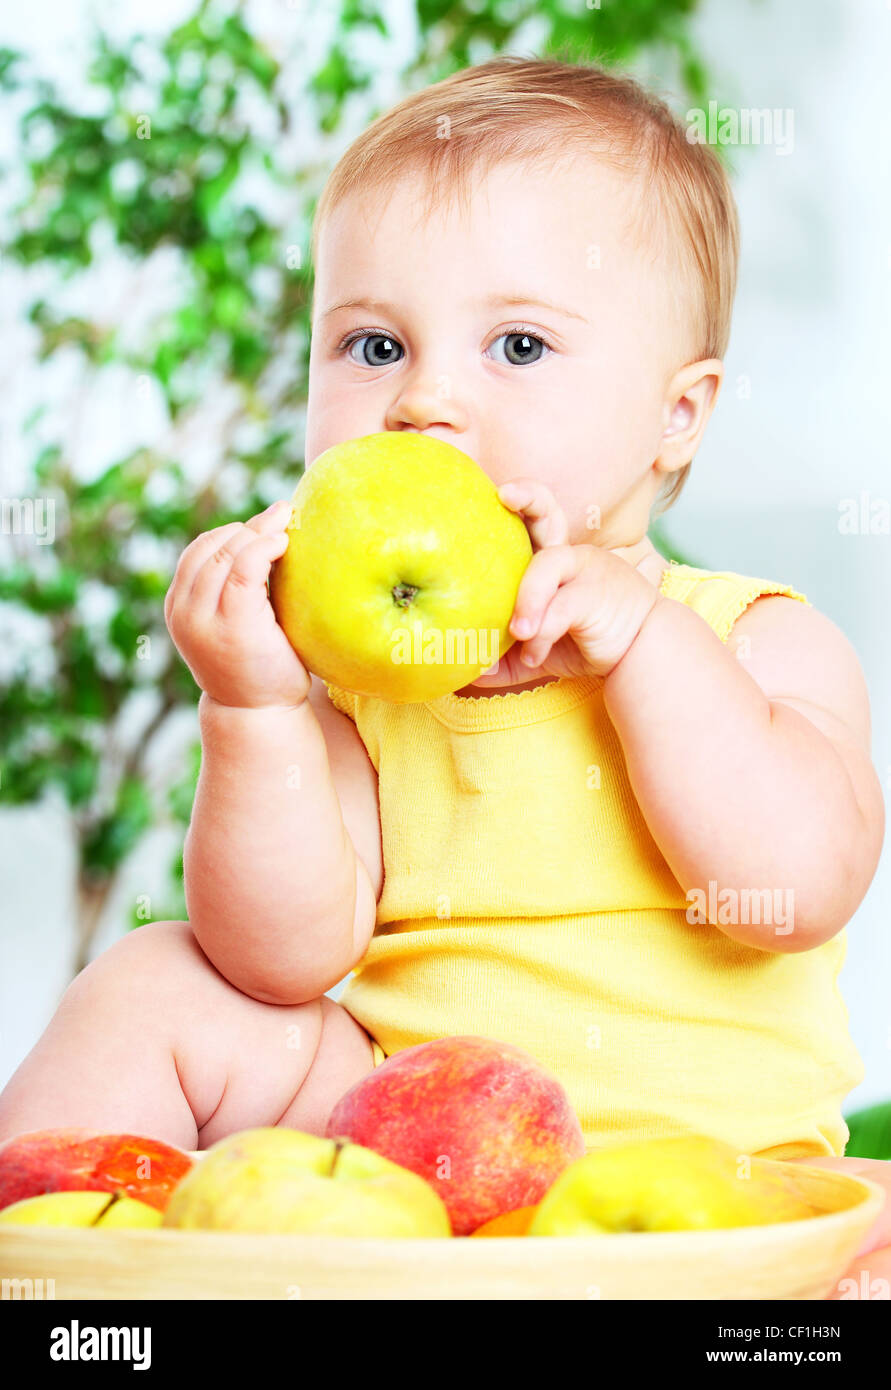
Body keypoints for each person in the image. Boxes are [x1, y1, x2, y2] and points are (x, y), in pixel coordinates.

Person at [1, 57, 887, 1295]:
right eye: (373, 344)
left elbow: (793, 886)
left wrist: (638, 645)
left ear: (677, 417)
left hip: (697, 1189)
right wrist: (252, 708)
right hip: (404, 1161)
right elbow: (280, 960)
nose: (421, 400)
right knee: (158, 980)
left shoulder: (753, 639)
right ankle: (78, 1270)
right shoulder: (372, 687)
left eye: (518, 344)